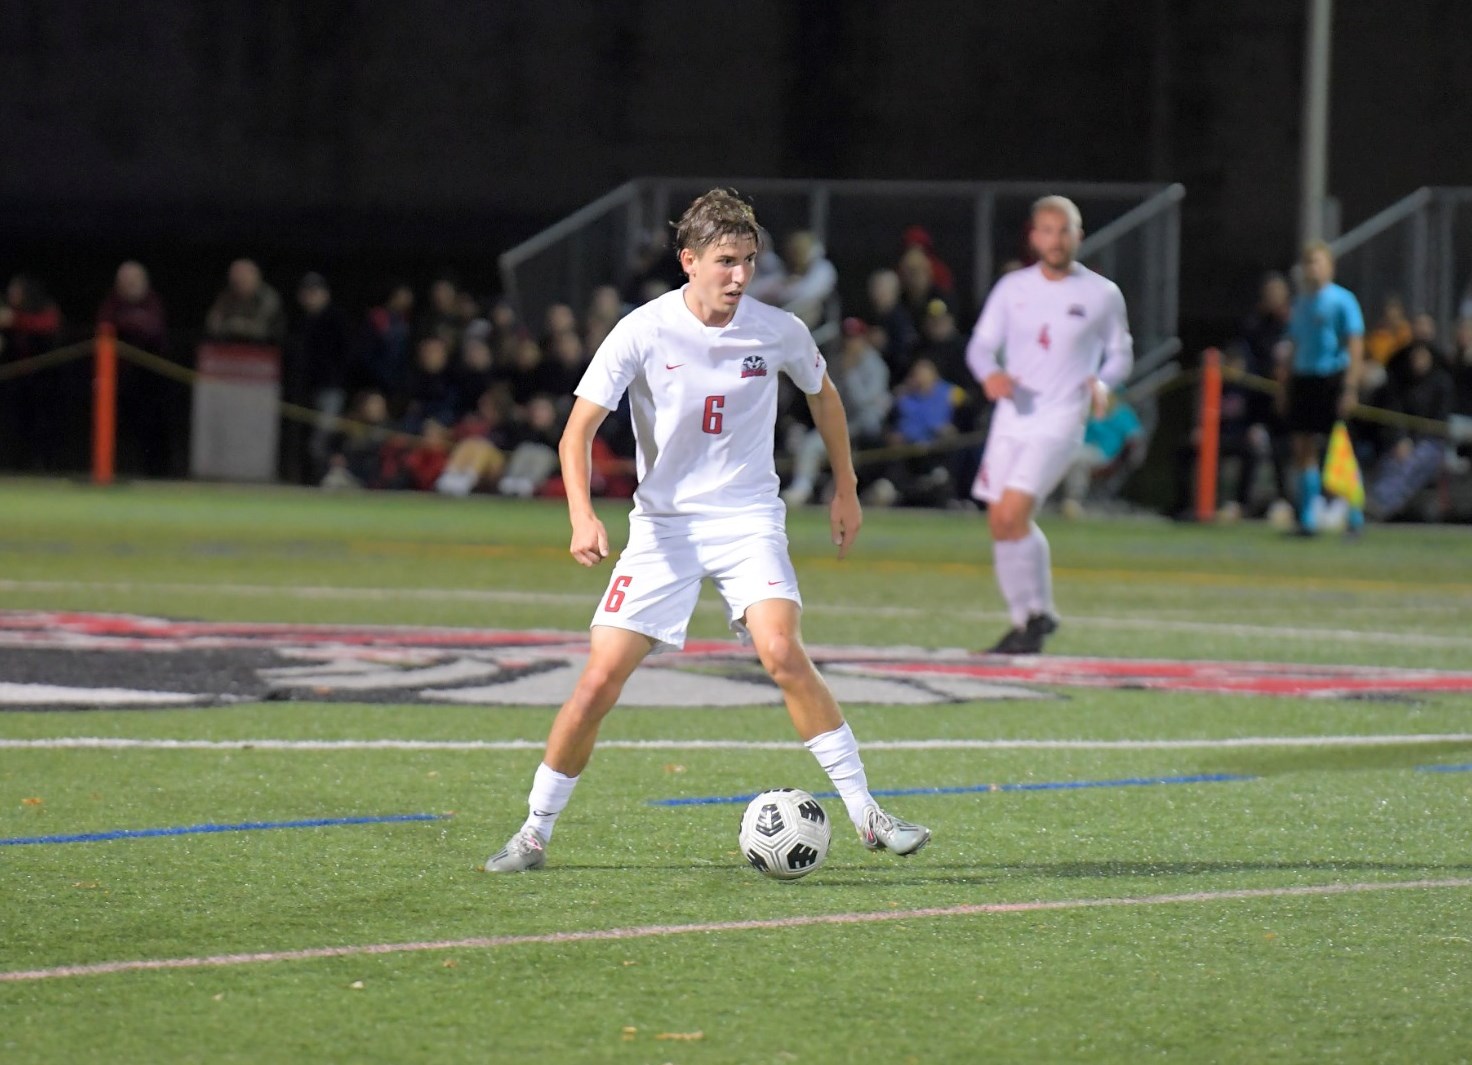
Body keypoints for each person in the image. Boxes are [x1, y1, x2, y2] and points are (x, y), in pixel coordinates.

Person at [483, 188, 930, 873]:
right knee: (599, 679)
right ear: (689, 260)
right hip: (664, 528)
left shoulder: (777, 328)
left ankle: (868, 814)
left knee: (781, 650)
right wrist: (581, 512)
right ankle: (535, 829)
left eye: (749, 259)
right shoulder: (642, 329)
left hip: (749, 518)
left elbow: (824, 396)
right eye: (726, 260)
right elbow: (577, 431)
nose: (740, 275)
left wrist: (846, 488)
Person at [965, 195, 1133, 654]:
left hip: (1061, 418)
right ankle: (1030, 619)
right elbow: (980, 347)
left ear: (1079, 235)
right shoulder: (1012, 288)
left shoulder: (1102, 293)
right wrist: (991, 375)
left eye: (1065, 230)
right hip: (1012, 417)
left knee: (1014, 512)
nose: (1056, 240)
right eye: (1047, 230)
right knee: (1001, 520)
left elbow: (1121, 353)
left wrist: (1103, 381)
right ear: (1034, 236)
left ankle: (1036, 616)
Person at [1275, 241, 1365, 535]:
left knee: (1340, 447)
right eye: (1308, 263)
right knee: (1303, 446)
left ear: (1329, 267)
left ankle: (1354, 513)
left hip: (1332, 378)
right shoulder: (1300, 304)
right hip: (1304, 378)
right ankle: (1307, 517)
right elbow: (1293, 345)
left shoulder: (1342, 300)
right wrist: (1284, 386)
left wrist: (1350, 386)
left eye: (1318, 262)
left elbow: (1354, 343)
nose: (1312, 268)